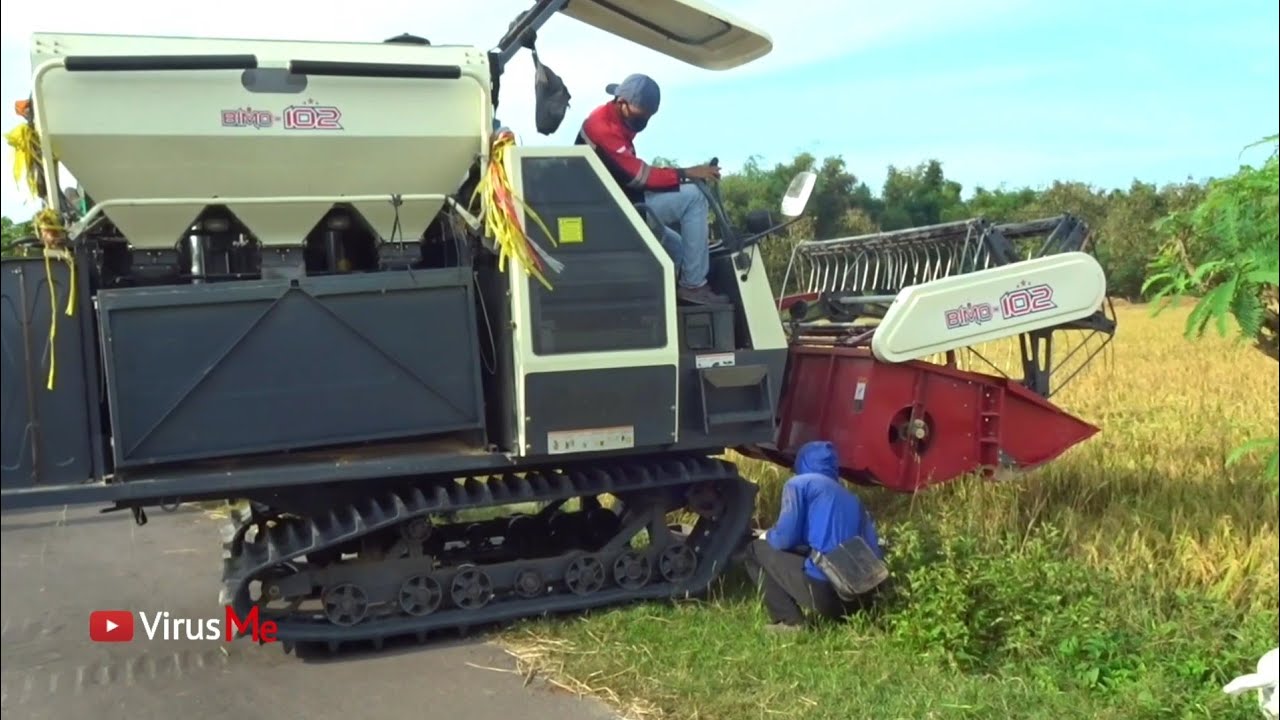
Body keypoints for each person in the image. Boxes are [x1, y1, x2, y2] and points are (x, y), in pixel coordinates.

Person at [576, 73, 727, 305]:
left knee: (675, 247)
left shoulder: (614, 120)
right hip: (616, 213)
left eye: (649, 117)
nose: (643, 123)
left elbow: (631, 172)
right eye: (640, 116)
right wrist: (685, 173)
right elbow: (638, 176)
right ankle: (694, 286)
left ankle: (670, 307)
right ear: (622, 103)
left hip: (617, 202)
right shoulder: (602, 128)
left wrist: (677, 177)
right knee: (694, 198)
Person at [742, 440, 885, 632]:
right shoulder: (853, 499)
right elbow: (875, 551)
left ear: (803, 461)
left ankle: (789, 621)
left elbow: (784, 539)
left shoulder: (801, 484)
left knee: (755, 550)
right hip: (860, 598)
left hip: (826, 594)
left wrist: (767, 536)